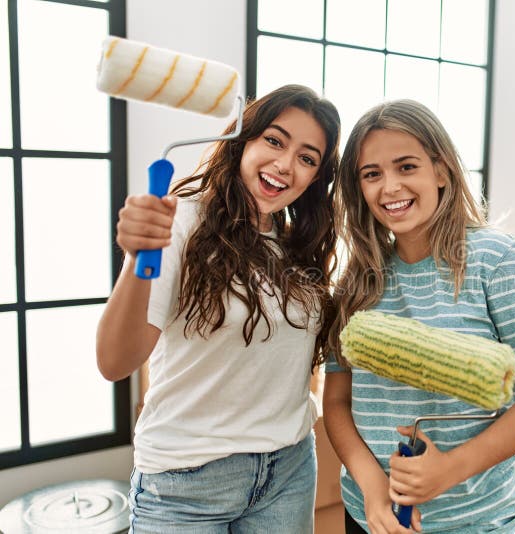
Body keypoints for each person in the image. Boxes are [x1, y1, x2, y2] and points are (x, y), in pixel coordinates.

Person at [96, 84, 341, 533]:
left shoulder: (301, 246)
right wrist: (136, 258)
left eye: (307, 158)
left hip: (288, 472)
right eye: (274, 140)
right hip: (185, 481)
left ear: (315, 177)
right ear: (241, 139)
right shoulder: (182, 223)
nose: (285, 165)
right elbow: (115, 362)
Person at [323, 99, 515, 534]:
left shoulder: (499, 262)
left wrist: (448, 470)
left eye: (406, 167)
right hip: (371, 514)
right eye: (372, 174)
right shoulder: (357, 281)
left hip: (473, 521)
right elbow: (338, 402)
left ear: (440, 171)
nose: (390, 186)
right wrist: (373, 486)